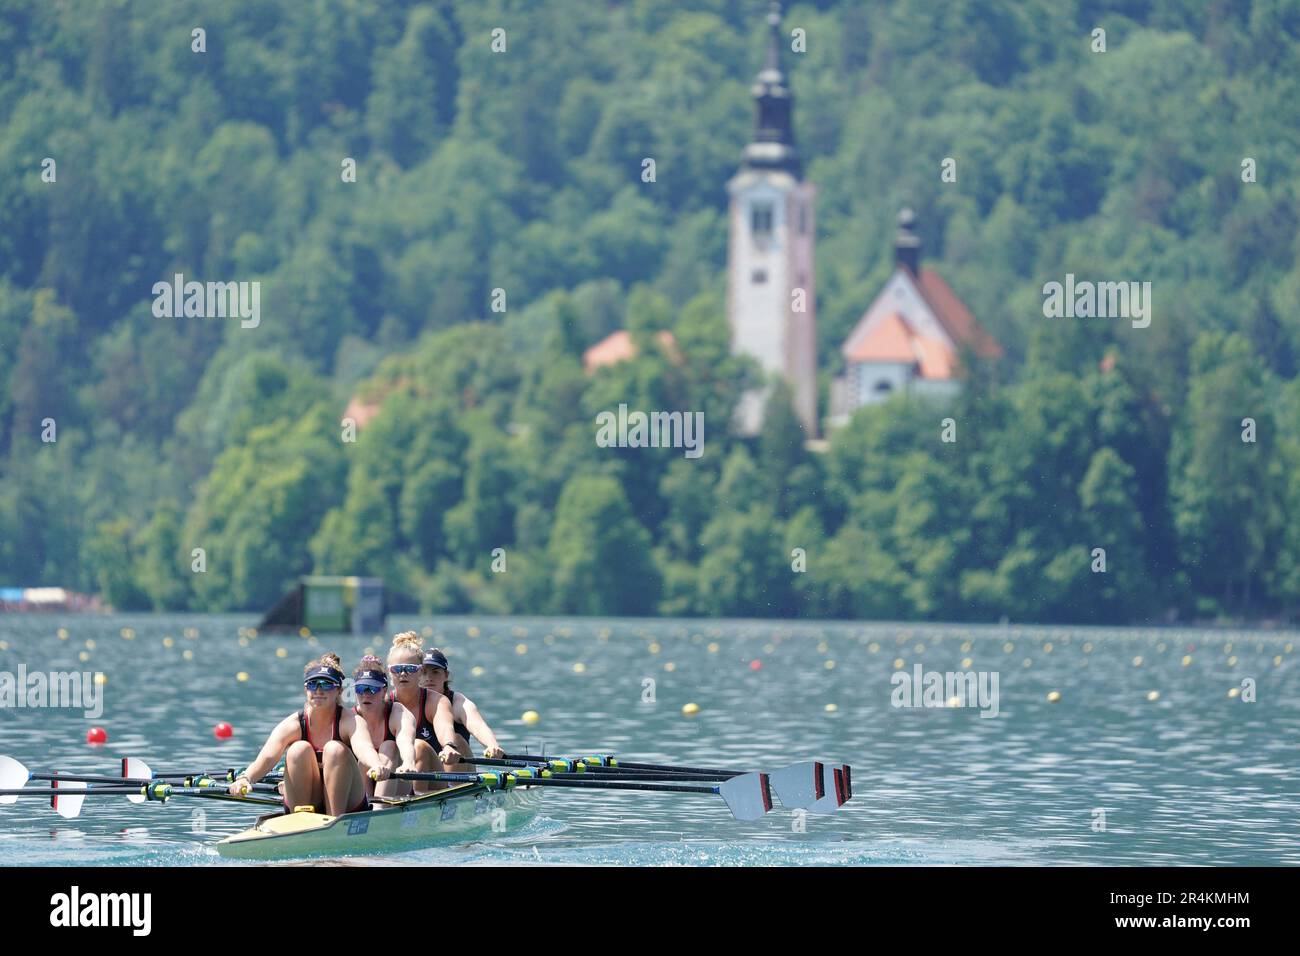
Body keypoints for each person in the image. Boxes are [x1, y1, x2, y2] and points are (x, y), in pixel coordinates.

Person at [229, 653, 387, 815]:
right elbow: (267, 757)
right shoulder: (294, 723)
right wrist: (245, 779)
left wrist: (376, 764)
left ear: (339, 690)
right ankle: (300, 819)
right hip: (310, 799)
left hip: (348, 802)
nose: (318, 690)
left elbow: (364, 747)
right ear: (306, 689)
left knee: (334, 749)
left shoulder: (350, 720)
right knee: (298, 749)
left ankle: (334, 821)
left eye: (327, 685)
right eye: (313, 684)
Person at [385, 631, 458, 791]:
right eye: (397, 669)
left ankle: (416, 805)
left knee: (419, 747)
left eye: (410, 668)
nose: (403, 673)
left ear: (420, 671)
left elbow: (445, 726)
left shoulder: (437, 701)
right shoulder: (383, 703)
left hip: (435, 779)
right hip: (397, 779)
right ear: (390, 673)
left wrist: (448, 745)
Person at [417, 647, 505, 769]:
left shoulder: (459, 702)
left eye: (435, 672)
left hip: (457, 773)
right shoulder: (409, 702)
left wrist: (492, 745)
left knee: (456, 739)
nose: (428, 678)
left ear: (446, 675)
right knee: (418, 746)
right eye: (423, 672)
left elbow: (478, 726)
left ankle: (454, 785)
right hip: (426, 773)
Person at [350, 655, 420, 799]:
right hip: (361, 787)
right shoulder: (349, 718)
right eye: (361, 688)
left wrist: (408, 762)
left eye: (372, 689)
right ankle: (366, 804)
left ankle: (378, 810)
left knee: (389, 746)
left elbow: (405, 741)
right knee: (361, 757)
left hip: (397, 786)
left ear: (384, 691)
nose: (366, 695)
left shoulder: (398, 713)